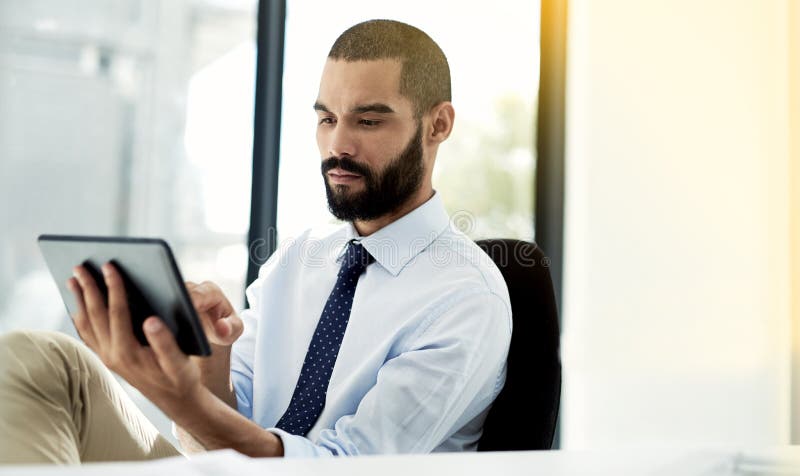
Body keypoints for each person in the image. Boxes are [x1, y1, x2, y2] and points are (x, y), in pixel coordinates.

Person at [0, 19, 511, 463]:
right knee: (38, 359)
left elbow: (349, 467)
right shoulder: (301, 258)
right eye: (327, 119)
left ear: (437, 125)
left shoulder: (466, 298)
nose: (338, 146)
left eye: (368, 120)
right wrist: (208, 361)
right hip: (220, 469)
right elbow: (224, 425)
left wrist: (181, 401)